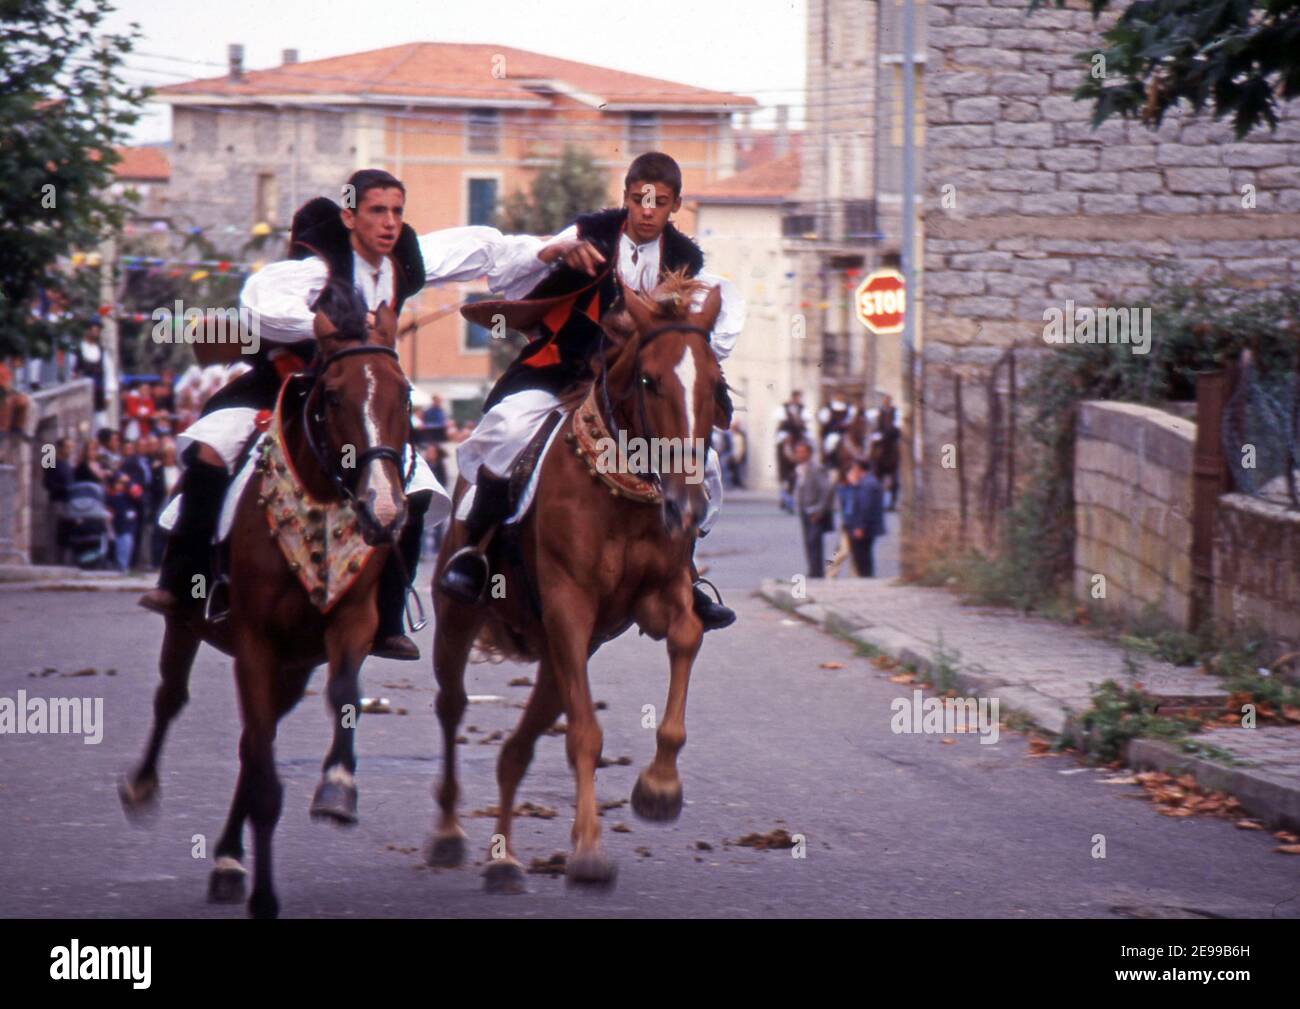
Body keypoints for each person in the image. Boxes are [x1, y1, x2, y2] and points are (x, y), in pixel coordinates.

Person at [139, 168, 550, 659]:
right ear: (350, 216)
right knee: (210, 450)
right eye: (378, 211)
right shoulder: (317, 267)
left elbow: (483, 249)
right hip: (286, 386)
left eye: (397, 211)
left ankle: (388, 621)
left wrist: (557, 246)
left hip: (359, 406)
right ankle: (186, 580)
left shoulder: (402, 263)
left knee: (417, 488)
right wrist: (320, 324)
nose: (390, 222)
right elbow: (263, 299)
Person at [437, 151, 745, 631]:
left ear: (675, 205)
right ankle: (475, 552)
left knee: (700, 461)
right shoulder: (588, 234)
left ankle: (685, 572)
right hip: (564, 369)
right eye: (638, 199)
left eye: (659, 202)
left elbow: (711, 329)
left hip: (635, 392)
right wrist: (555, 253)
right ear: (624, 197)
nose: (647, 211)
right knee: (507, 428)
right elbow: (511, 272)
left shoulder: (688, 261)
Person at [792, 440, 835, 578]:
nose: (799, 455)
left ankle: (817, 572)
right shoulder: (800, 468)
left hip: (814, 511)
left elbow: (827, 491)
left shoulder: (816, 468)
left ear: (809, 453)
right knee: (808, 543)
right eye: (798, 452)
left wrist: (819, 510)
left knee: (815, 542)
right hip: (804, 510)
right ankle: (812, 570)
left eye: (802, 452)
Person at [839, 459, 886, 577]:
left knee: (862, 558)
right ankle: (865, 578)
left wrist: (860, 526)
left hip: (861, 527)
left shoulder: (866, 484)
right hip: (859, 526)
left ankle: (866, 580)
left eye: (854, 469)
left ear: (859, 469)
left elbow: (865, 507)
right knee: (862, 557)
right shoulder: (866, 482)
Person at [876, 394, 901, 511]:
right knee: (873, 446)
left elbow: (897, 426)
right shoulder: (879, 412)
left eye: (887, 400)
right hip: (881, 436)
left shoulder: (896, 411)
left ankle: (893, 502)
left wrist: (893, 430)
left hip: (893, 437)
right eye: (884, 400)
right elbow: (877, 426)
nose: (886, 402)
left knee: (899, 448)